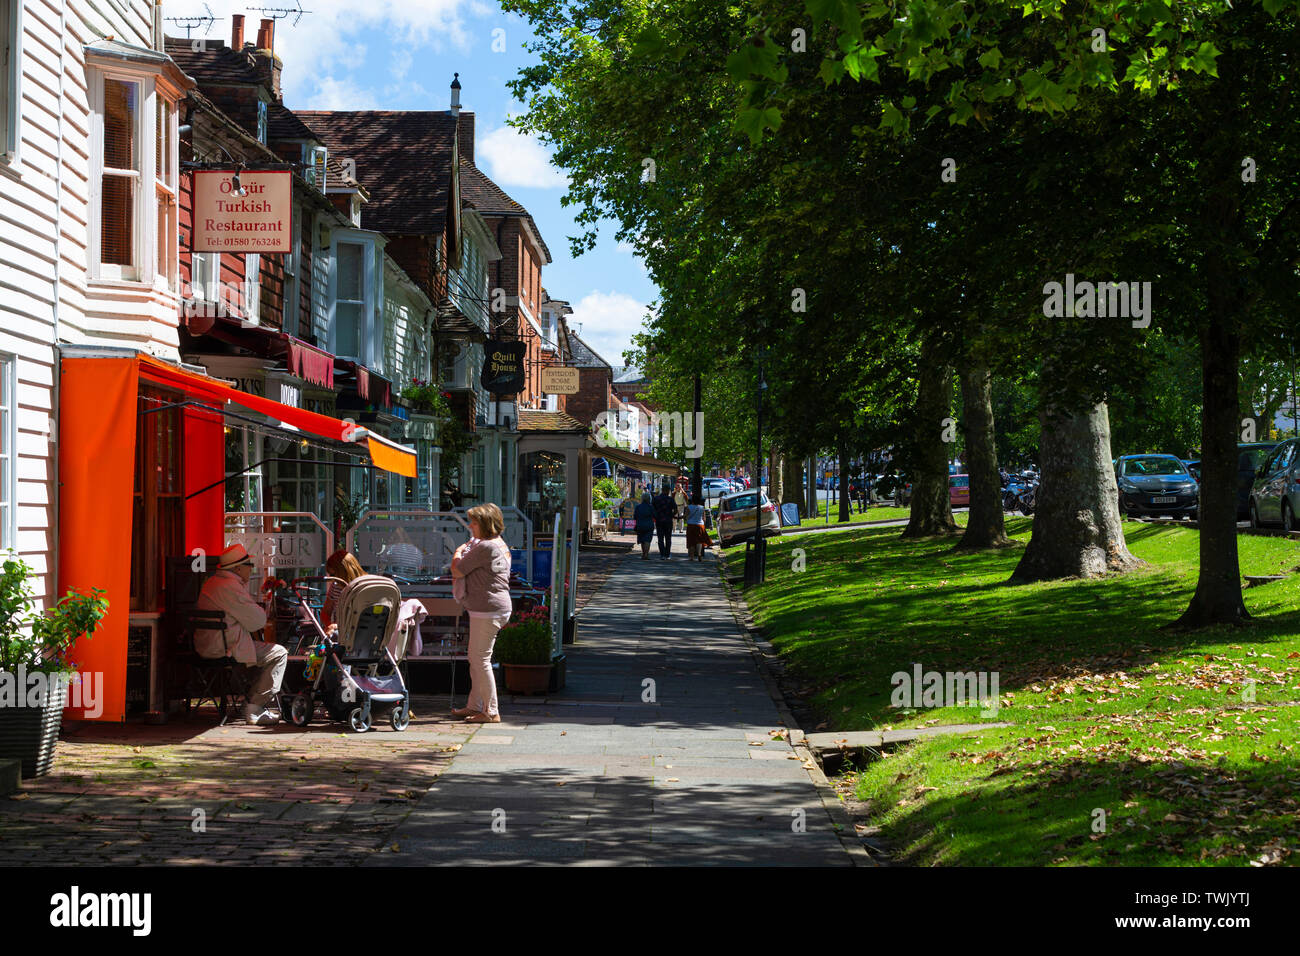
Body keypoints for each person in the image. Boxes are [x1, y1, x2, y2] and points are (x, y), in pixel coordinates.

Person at [195, 544, 287, 726]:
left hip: (205, 646)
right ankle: (254, 707)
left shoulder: (212, 583)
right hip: (225, 648)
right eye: (249, 564)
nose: (251, 568)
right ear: (238, 568)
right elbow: (259, 621)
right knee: (279, 653)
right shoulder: (230, 587)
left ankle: (252, 701)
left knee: (261, 652)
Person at [449, 503, 512, 724]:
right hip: (490, 608)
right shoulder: (497, 545)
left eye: (474, 522)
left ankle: (491, 711)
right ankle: (474, 705)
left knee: (480, 659)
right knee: (475, 658)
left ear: (484, 524)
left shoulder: (486, 547)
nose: (470, 525)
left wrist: (457, 552)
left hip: (487, 610)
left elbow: (457, 569)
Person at [322, 549, 365, 630]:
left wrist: (336, 627)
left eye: (333, 575)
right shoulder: (335, 586)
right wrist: (329, 625)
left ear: (344, 571)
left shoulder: (364, 586)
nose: (332, 579)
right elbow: (325, 613)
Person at [652, 482, 676, 559]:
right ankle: (667, 554)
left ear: (662, 490)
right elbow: (675, 509)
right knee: (668, 538)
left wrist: (656, 516)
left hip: (659, 521)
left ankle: (662, 554)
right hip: (668, 521)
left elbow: (653, 509)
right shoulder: (670, 499)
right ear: (668, 490)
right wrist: (672, 515)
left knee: (660, 538)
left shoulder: (656, 499)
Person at [686, 495, 711, 561]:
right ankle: (699, 554)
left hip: (691, 525)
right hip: (700, 525)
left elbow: (686, 516)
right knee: (699, 541)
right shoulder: (702, 507)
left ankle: (692, 557)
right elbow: (704, 518)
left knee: (691, 541)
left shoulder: (689, 507)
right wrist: (704, 525)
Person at [633, 491, 656, 559]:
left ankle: (643, 554)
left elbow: (635, 517)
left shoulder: (638, 507)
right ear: (649, 499)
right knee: (647, 540)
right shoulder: (651, 507)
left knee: (642, 540)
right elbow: (655, 515)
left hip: (640, 525)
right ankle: (646, 554)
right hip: (649, 525)